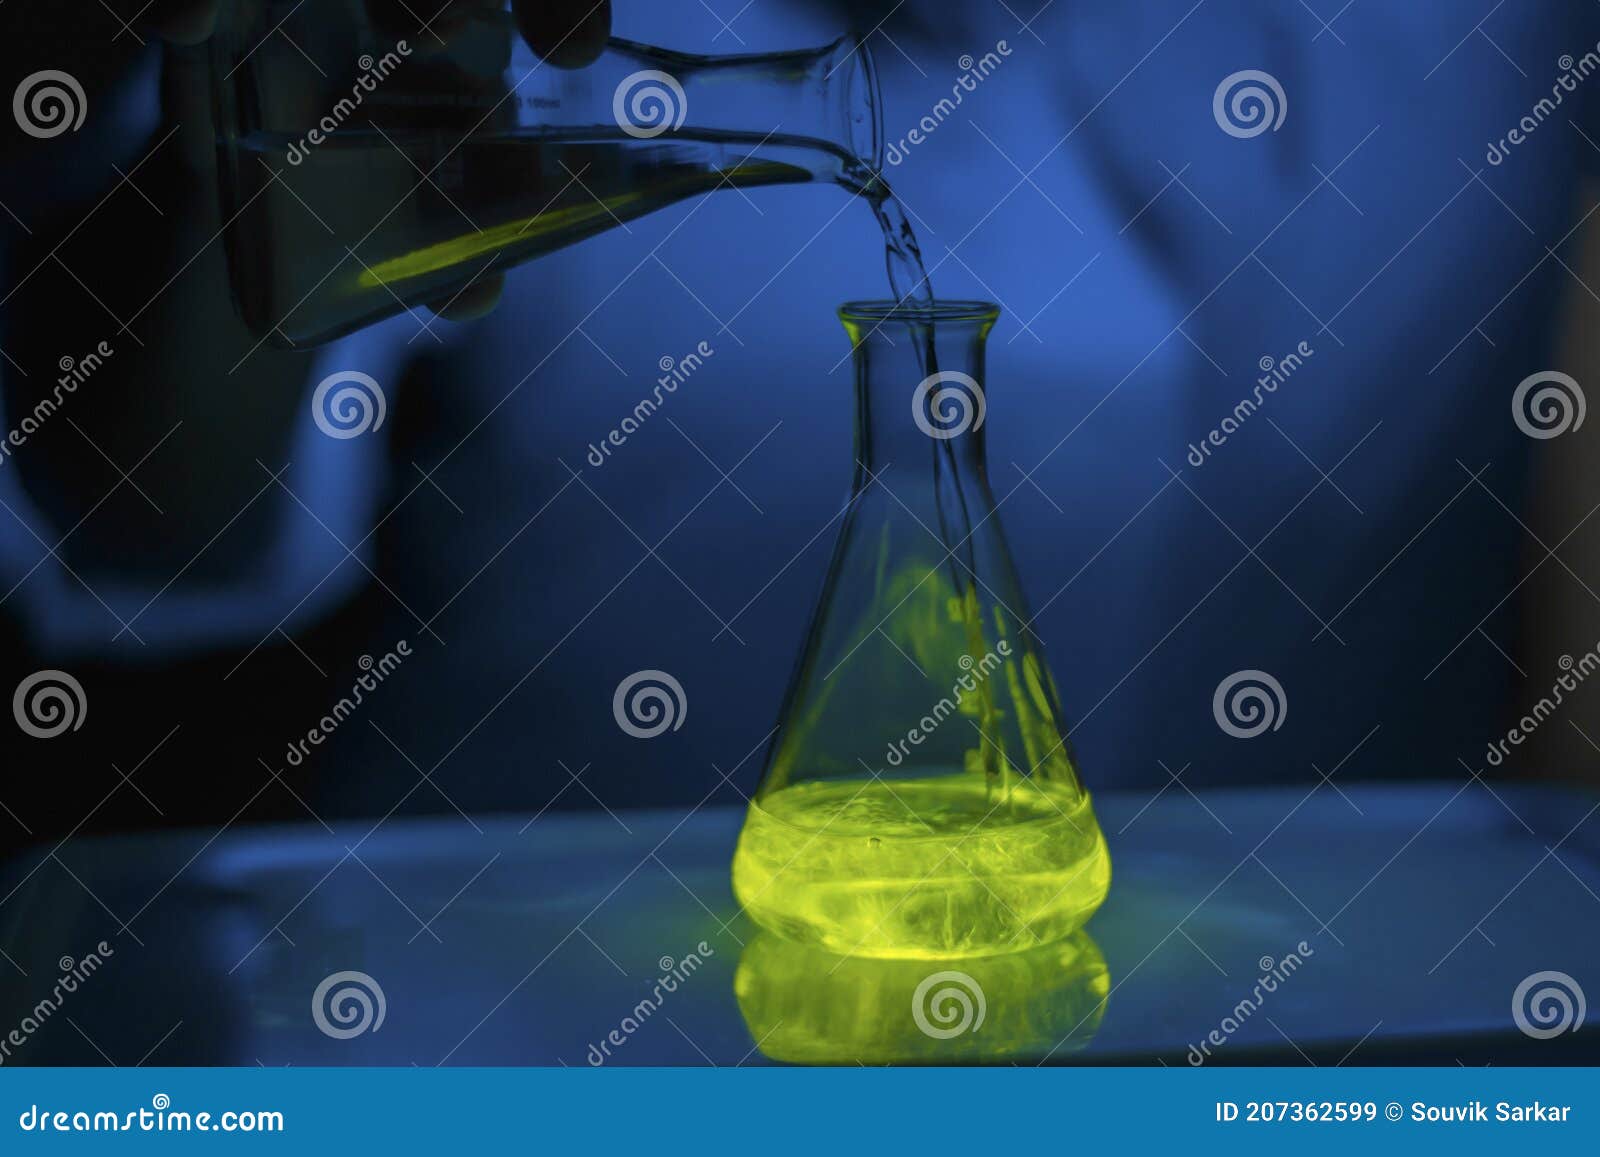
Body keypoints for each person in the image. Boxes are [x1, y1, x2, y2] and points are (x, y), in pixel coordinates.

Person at [2, 0, 1597, 858]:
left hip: (1306, 1062)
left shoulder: (1489, 39)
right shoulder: (542, 29)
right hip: (525, 1052)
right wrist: (253, 194)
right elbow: (155, 528)